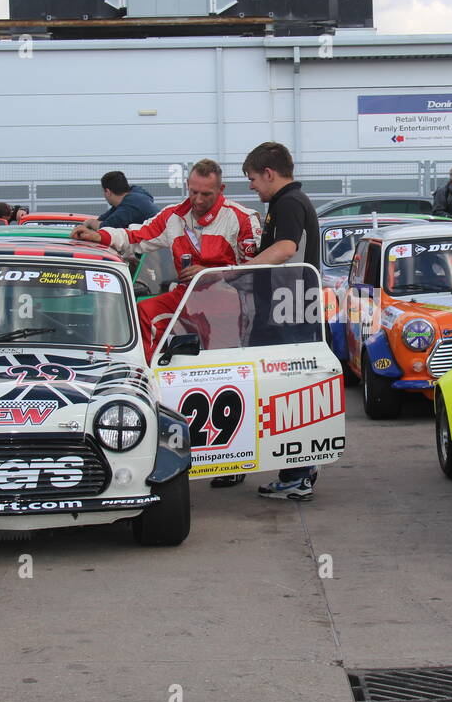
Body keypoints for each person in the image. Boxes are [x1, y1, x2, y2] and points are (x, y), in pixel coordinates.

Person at [72, 159, 261, 358]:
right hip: (185, 297)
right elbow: (135, 236)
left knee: (222, 359)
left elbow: (254, 273)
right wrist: (100, 236)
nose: (197, 200)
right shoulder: (173, 216)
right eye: (193, 192)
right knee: (143, 312)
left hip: (228, 302)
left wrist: (208, 274)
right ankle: (148, 379)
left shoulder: (242, 219)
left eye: (206, 194)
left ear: (221, 189)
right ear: (188, 185)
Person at [238, 141, 322, 501]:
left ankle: (297, 475)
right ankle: (300, 467)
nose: (251, 186)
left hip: (288, 316)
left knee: (285, 393)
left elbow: (286, 248)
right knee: (288, 392)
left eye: (253, 178)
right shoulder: (289, 201)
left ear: (269, 173)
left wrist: (237, 270)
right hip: (290, 312)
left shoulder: (287, 202)